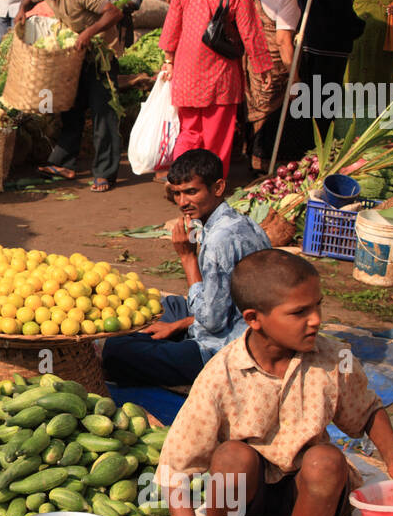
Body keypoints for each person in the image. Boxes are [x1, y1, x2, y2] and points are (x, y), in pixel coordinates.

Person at [160, 249, 393, 516]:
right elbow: (173, 472)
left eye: (317, 306)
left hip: (310, 495)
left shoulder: (335, 358)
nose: (316, 320)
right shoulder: (221, 374)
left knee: (327, 460)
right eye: (299, 312)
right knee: (232, 455)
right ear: (254, 320)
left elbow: (366, 410)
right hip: (247, 498)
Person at [101, 149, 269, 387]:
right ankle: (172, 336)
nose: (182, 203)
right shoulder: (241, 222)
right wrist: (177, 324)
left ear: (218, 187)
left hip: (225, 349)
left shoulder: (220, 240)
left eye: (191, 192)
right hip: (235, 317)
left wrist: (187, 257)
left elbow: (212, 322)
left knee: (117, 352)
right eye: (177, 193)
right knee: (165, 305)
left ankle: (171, 348)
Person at [160, 0, 273, 180]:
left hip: (186, 70)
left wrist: (169, 58)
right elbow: (251, 33)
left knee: (189, 132)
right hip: (219, 73)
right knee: (216, 136)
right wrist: (263, 67)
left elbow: (171, 24)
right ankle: (211, 188)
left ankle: (181, 181)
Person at [23, 0, 124, 193]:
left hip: (102, 58)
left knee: (103, 114)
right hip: (76, 59)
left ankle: (104, 173)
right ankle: (64, 163)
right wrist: (20, 12)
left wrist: (89, 32)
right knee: (71, 108)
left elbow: (114, 12)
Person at [292, 0, 365, 143]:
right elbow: (339, 10)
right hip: (328, 48)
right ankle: (316, 149)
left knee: (307, 106)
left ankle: (305, 146)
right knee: (322, 107)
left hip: (309, 42)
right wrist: (357, 27)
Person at [247, 0, 304, 170]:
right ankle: (263, 165)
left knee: (257, 112)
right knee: (270, 115)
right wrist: (295, 78)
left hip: (255, 59)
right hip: (276, 65)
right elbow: (283, 41)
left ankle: (254, 160)